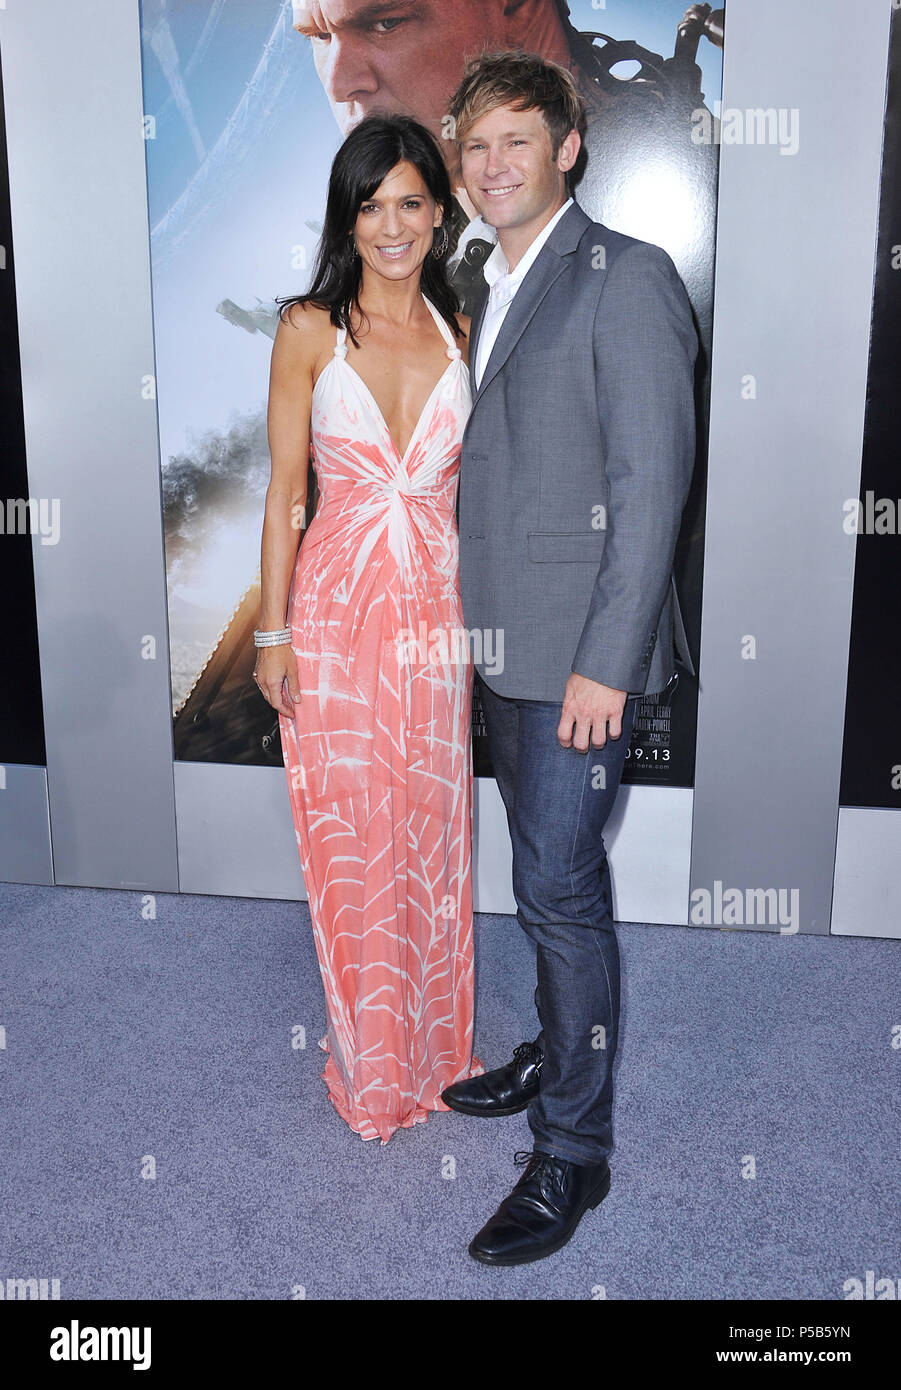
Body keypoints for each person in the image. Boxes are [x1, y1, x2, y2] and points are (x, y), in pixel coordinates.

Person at [440, 51, 698, 1264]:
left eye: (516, 142)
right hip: (500, 646)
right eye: (473, 146)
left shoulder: (626, 277)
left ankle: (573, 1152)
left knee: (559, 893)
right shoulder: (479, 283)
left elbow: (651, 489)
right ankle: (554, 1043)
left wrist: (608, 660)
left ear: (568, 148)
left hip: (576, 663)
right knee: (544, 881)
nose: (492, 167)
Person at [255, 113, 483, 1144]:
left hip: (436, 611)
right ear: (346, 218)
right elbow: (283, 493)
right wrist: (272, 631)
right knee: (352, 833)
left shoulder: (461, 330)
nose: (389, 226)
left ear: (439, 211)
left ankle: (439, 1054)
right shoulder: (309, 327)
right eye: (368, 204)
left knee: (431, 832)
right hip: (338, 609)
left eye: (408, 202)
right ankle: (372, 1065)